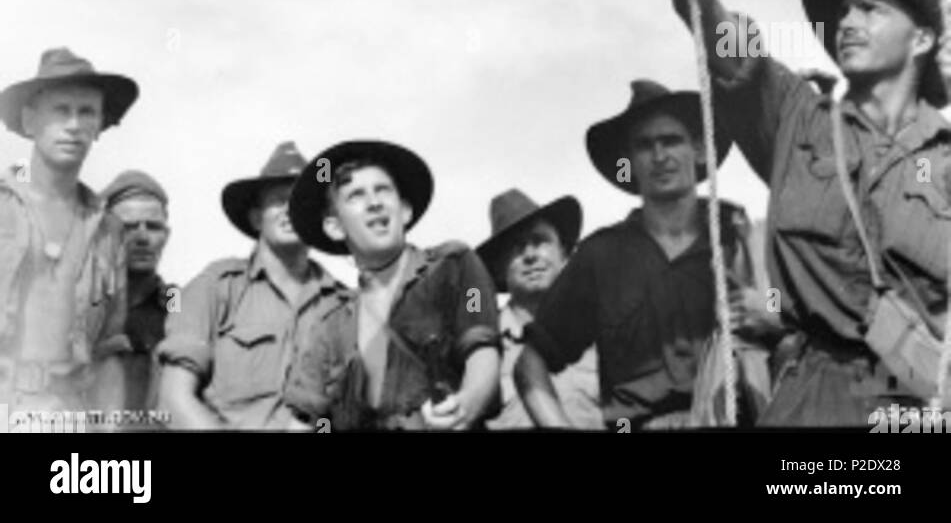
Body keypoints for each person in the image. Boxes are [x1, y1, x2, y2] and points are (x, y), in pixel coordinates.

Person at [650, 0, 951, 425]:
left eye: (871, 8)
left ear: (924, 39)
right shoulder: (792, 117)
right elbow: (700, 10)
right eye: (841, 11)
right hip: (814, 402)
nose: (847, 21)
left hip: (926, 401)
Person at [515, 80, 765, 429]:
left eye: (671, 140)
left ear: (698, 149)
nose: (660, 156)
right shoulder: (601, 256)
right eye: (645, 146)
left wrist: (771, 308)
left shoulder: (738, 236)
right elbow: (530, 363)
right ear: (631, 163)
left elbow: (791, 311)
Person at [283, 139, 501, 431]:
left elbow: (482, 347)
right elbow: (308, 420)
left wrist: (465, 405)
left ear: (405, 210)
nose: (374, 203)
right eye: (356, 196)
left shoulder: (454, 267)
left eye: (383, 190)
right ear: (334, 227)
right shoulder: (329, 327)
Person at [157, 142, 341, 430]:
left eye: (302, 202)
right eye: (280, 200)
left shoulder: (344, 306)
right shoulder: (215, 288)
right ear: (256, 218)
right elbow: (173, 399)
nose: (290, 210)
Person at [0, 47, 138, 423]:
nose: (74, 125)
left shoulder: (108, 231)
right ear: (30, 121)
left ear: (99, 126)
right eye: (61, 110)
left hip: (71, 416)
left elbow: (109, 350)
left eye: (86, 112)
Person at [476, 188, 602, 430]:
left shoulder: (604, 335)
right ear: (500, 268)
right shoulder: (483, 352)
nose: (530, 255)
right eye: (517, 247)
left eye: (540, 241)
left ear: (565, 253)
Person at [101, 169, 174, 417]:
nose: (142, 237)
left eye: (153, 227)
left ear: (166, 236)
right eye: (129, 227)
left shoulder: (179, 303)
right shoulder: (81, 305)